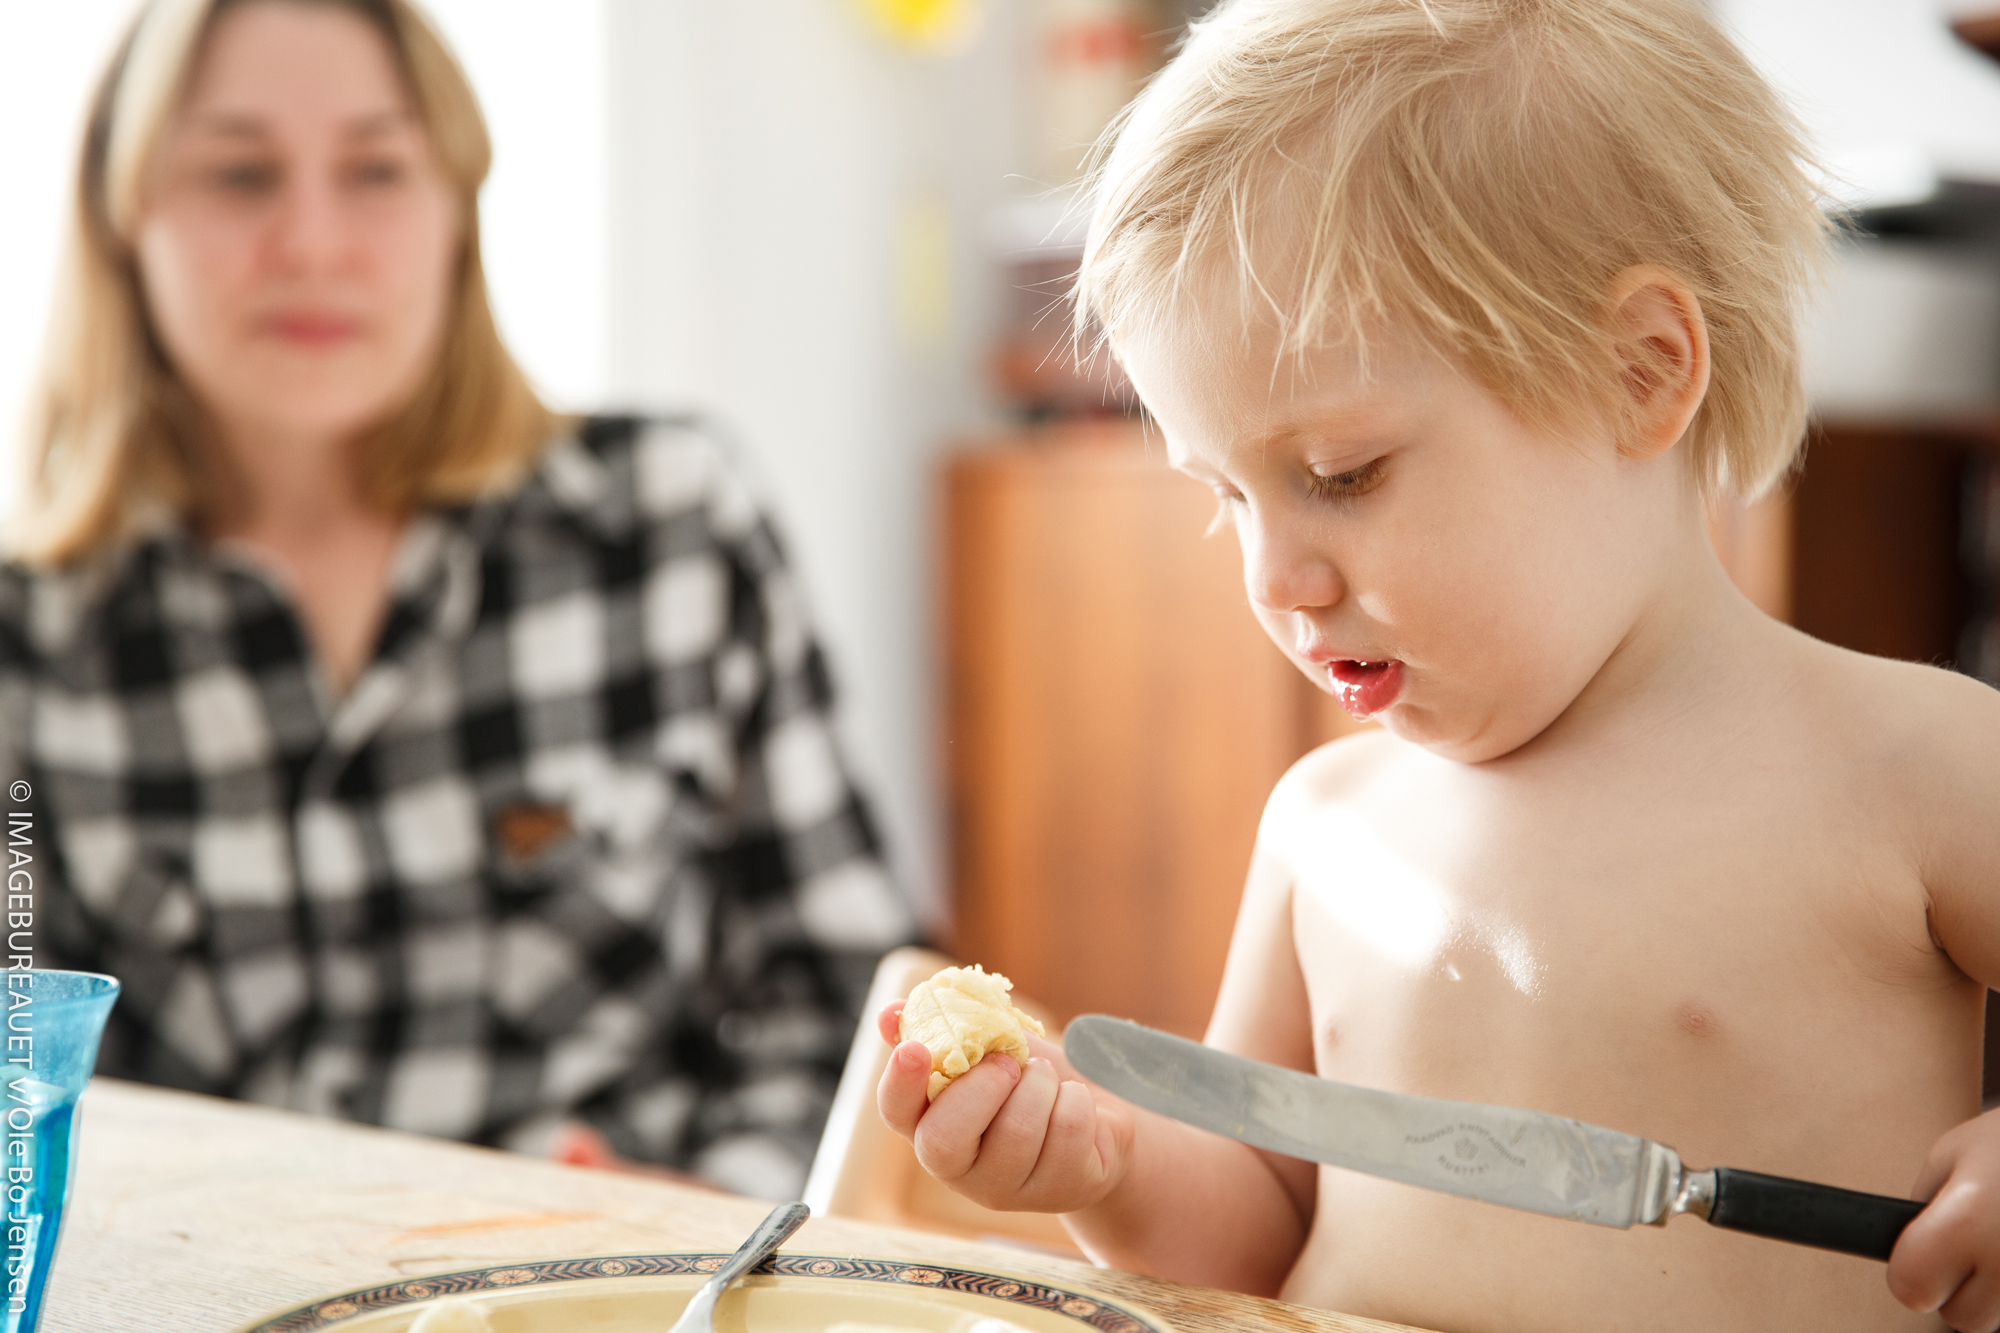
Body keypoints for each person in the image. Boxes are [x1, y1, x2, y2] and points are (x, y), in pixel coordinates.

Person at [875, 0, 2000, 1328]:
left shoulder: (1911, 767)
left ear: (1641, 373)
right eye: (1228, 497)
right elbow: (1258, 1229)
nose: (1272, 576)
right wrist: (1101, 1166)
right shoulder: (1326, 828)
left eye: (1342, 476)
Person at [0, 0, 910, 1200]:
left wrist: (697, 1213)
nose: (312, 242)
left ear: (456, 213)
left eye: (376, 169)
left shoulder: (673, 520)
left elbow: (849, 1002)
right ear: (127, 222)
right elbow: (25, 1096)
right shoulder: (34, 640)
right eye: (238, 174)